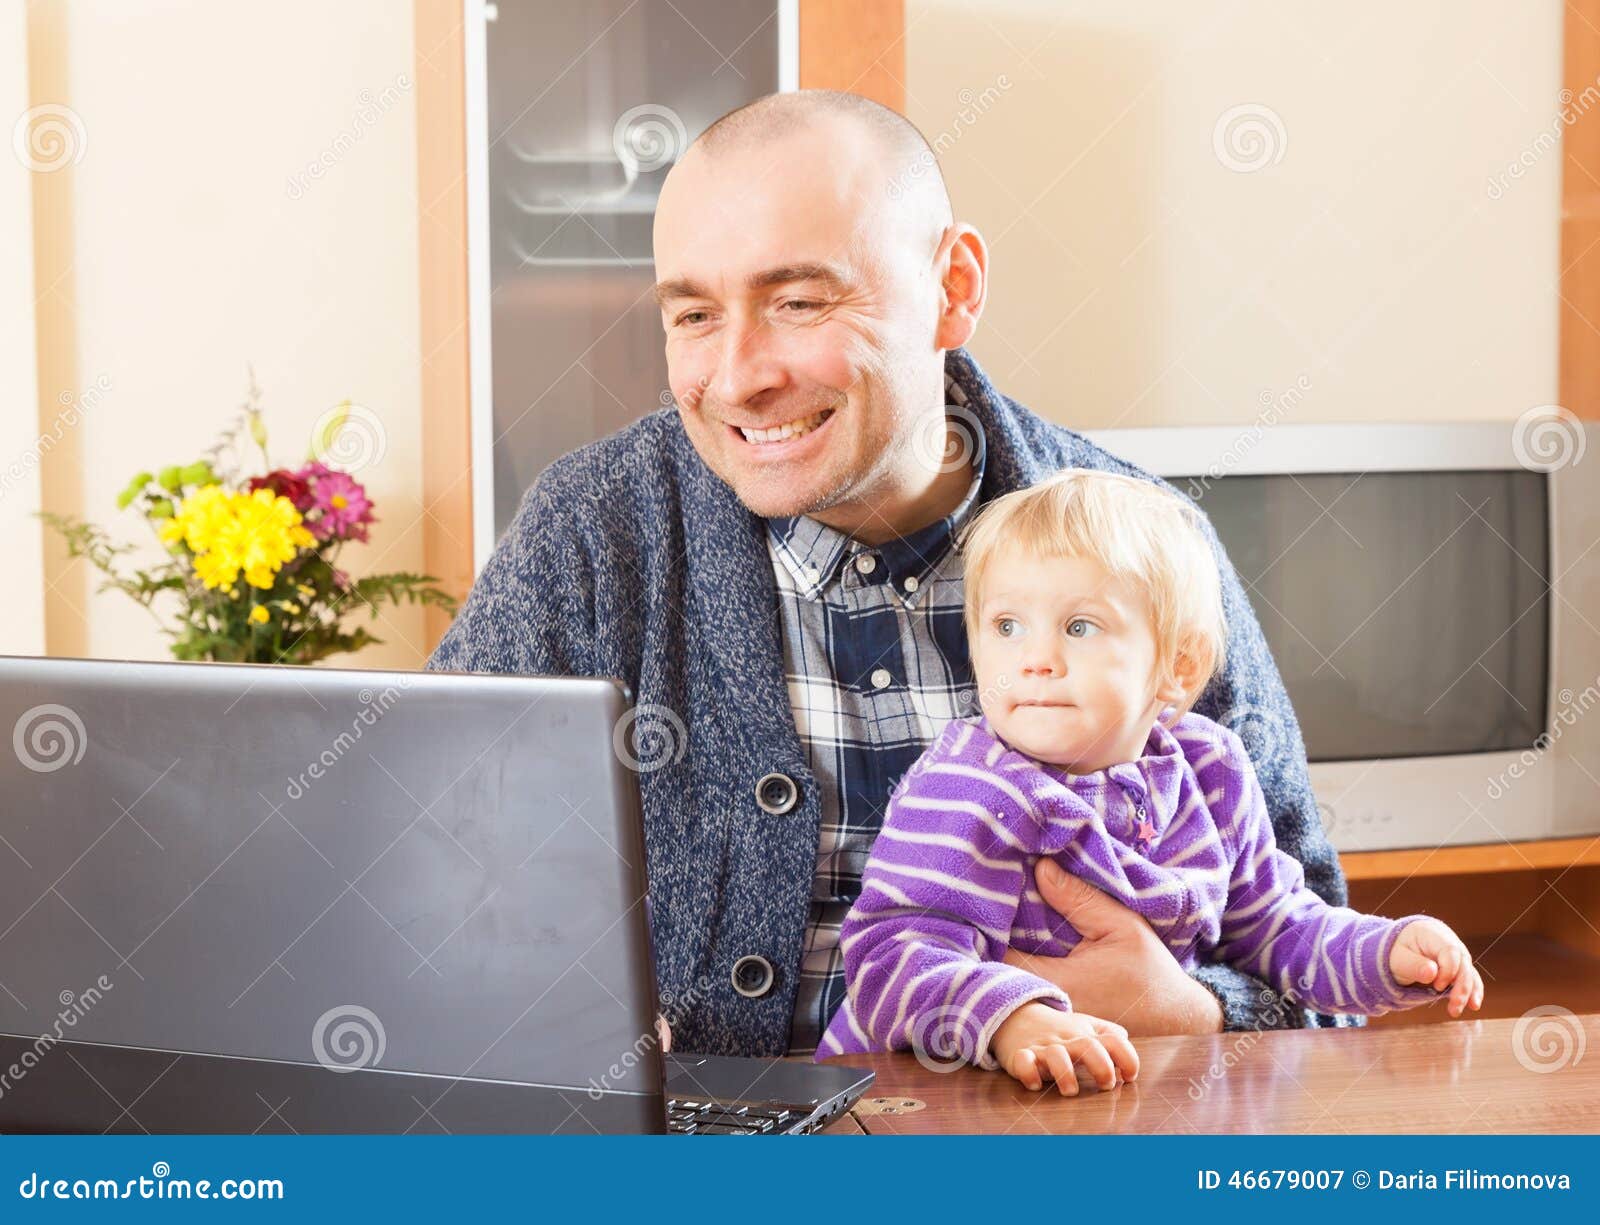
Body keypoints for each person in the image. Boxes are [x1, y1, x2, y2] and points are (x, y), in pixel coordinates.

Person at [427, 89, 1354, 1056]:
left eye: (797, 302)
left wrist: (1195, 1014)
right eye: (695, 314)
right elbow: (422, 877)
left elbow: (1332, 993)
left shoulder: (1147, 549)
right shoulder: (592, 531)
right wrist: (551, 1022)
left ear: (953, 287)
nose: (740, 376)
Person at [818, 470, 1483, 1090]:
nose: (1036, 659)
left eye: (1079, 626)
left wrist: (1388, 951)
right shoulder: (967, 783)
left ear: (1179, 667)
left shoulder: (1212, 772)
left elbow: (1279, 928)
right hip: (930, 1108)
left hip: (1125, 1098)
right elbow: (890, 957)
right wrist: (1013, 1016)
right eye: (1007, 625)